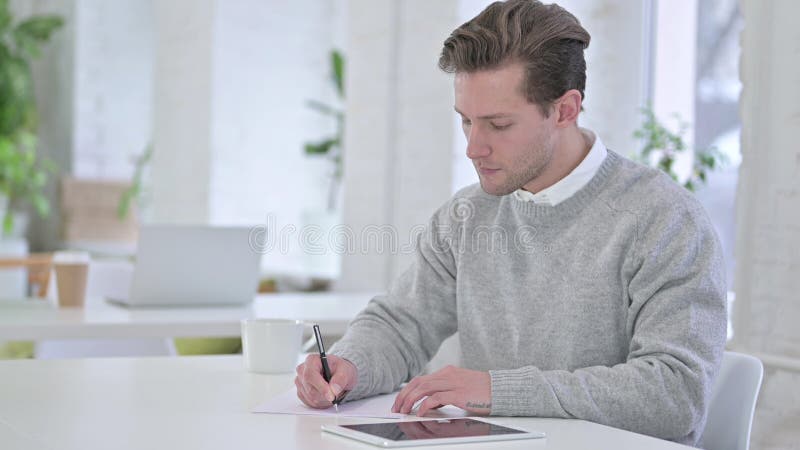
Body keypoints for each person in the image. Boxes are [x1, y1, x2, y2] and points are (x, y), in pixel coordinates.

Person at [295, 0, 726, 446]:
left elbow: (676, 396)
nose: (473, 148)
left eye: (498, 125)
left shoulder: (664, 220)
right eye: (466, 122)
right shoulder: (467, 217)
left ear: (565, 110)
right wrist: (349, 366)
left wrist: (499, 390)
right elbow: (401, 324)